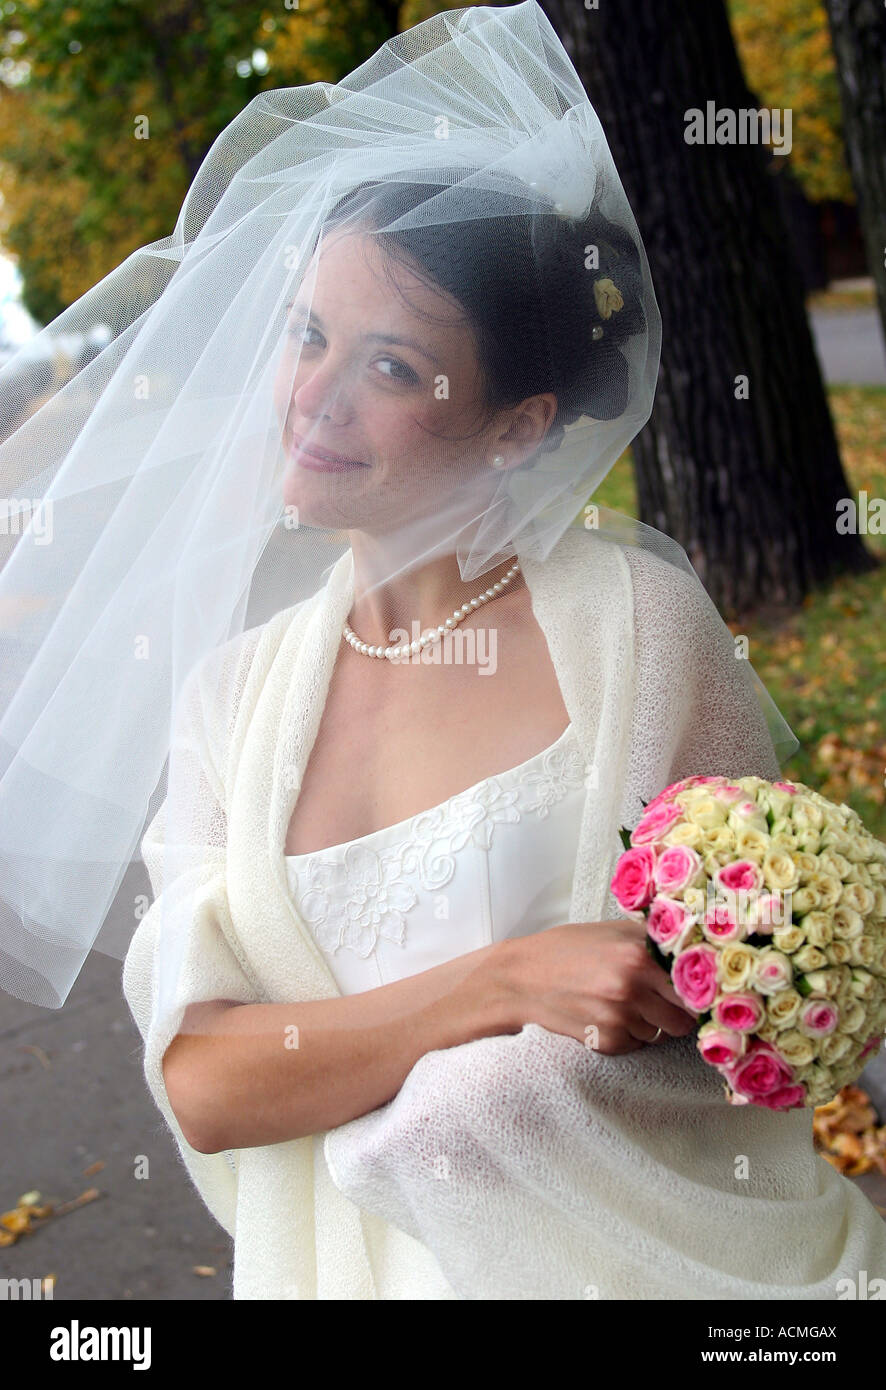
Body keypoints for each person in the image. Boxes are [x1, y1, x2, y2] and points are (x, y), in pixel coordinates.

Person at [2, 1, 883, 1299]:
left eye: (390, 365)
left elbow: (731, 1019)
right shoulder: (228, 701)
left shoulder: (634, 632)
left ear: (520, 424)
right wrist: (495, 984)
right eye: (306, 335)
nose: (311, 396)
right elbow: (205, 1083)